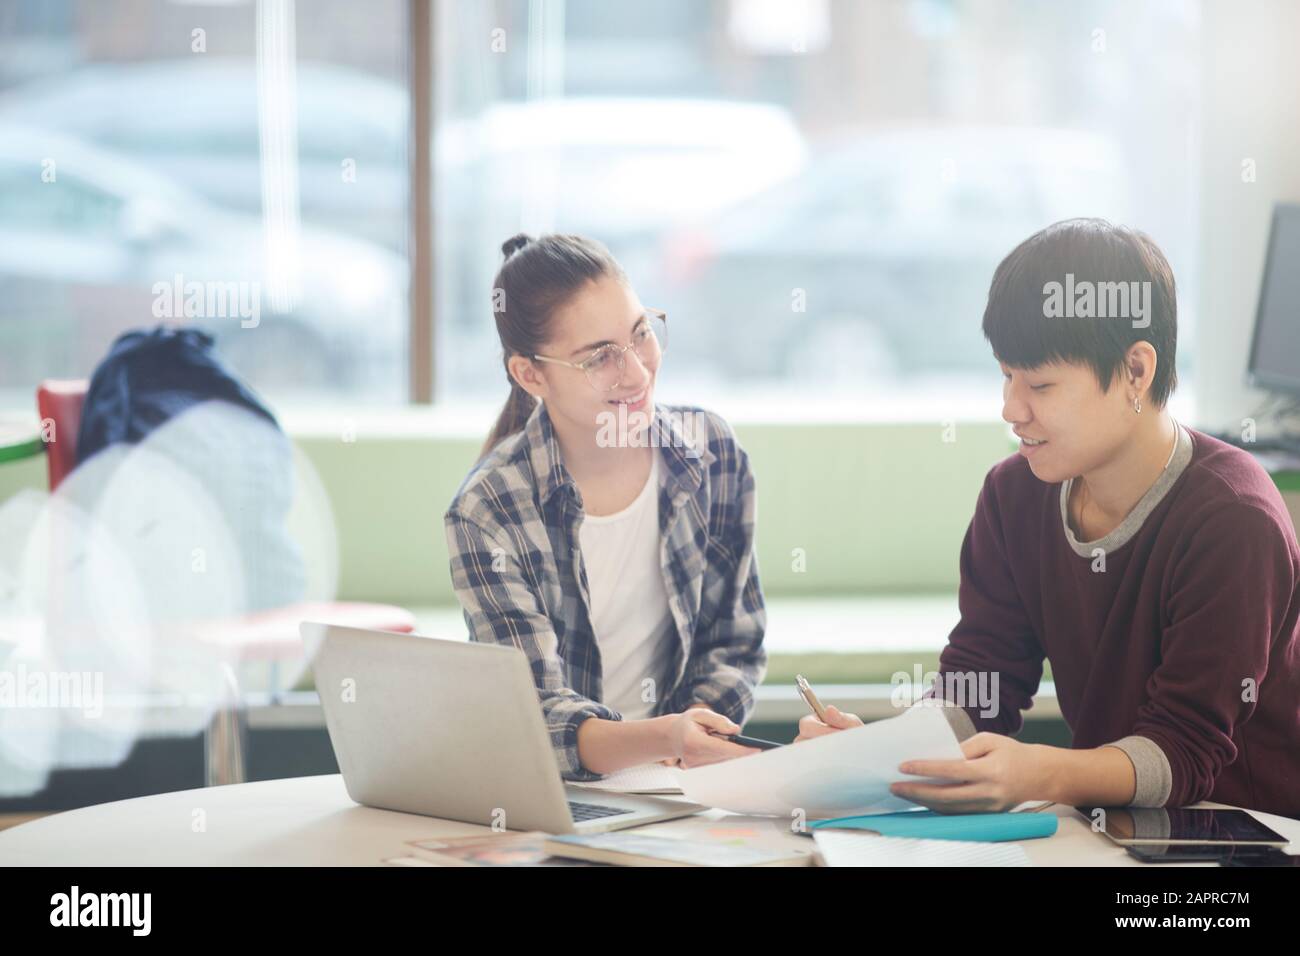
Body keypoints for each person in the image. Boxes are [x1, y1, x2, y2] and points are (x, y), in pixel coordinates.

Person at [798, 218, 1300, 818]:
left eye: (1039, 383)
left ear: (1136, 372)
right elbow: (981, 684)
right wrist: (884, 753)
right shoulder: (1015, 495)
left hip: (1244, 838)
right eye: (1007, 375)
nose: (1011, 408)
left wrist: (1042, 771)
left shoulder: (1232, 519)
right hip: (1114, 831)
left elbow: (1185, 751)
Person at [445, 232, 767, 781]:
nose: (638, 373)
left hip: (679, 779)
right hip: (555, 791)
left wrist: (686, 740)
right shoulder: (488, 511)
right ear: (530, 374)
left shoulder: (712, 450)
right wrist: (663, 738)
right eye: (599, 358)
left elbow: (733, 642)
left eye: (641, 333)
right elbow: (537, 718)